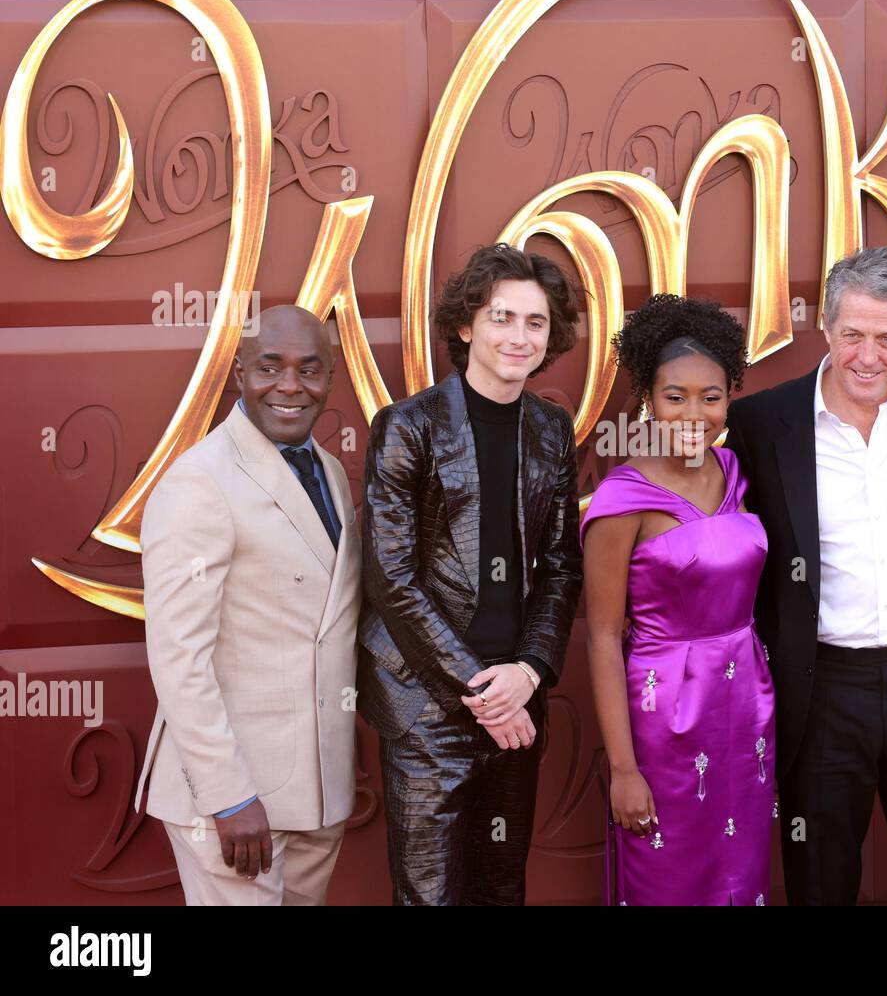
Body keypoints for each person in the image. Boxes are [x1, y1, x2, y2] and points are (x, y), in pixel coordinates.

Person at [725, 246, 887, 906]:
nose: (868, 357)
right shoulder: (762, 421)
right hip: (822, 685)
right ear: (826, 329)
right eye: (853, 336)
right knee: (820, 881)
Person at [359, 243, 583, 905]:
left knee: (499, 888)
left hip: (517, 695)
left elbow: (563, 567)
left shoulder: (550, 429)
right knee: (431, 896)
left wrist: (529, 671)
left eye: (535, 323)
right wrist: (480, 688)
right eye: (501, 318)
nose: (519, 337)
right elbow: (390, 577)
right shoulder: (408, 428)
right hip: (427, 706)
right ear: (465, 326)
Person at [135, 304, 361, 905]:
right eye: (270, 367)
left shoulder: (333, 474)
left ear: (330, 378)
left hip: (316, 798)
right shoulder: (199, 482)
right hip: (235, 808)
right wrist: (228, 795)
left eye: (310, 370)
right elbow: (179, 657)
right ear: (239, 374)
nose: (290, 387)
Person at [581, 294, 774, 906]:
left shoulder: (736, 472)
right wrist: (623, 769)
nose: (694, 412)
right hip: (662, 720)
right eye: (675, 396)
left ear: (729, 398)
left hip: (746, 709)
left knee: (739, 875)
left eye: (711, 396)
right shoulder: (623, 498)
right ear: (647, 400)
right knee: (668, 877)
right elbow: (604, 637)